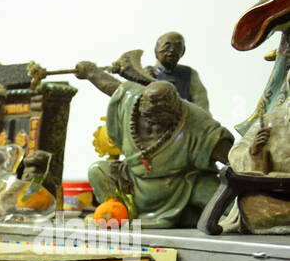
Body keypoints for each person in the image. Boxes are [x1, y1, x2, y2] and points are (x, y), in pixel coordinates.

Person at [78, 63, 233, 228]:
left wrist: (252, 168)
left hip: (182, 185)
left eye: (162, 117)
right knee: (97, 171)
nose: (154, 122)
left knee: (226, 200)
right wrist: (90, 71)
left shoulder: (197, 122)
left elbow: (231, 157)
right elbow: (113, 87)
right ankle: (119, 213)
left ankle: (189, 215)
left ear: (176, 108)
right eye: (148, 115)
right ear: (142, 105)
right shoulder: (131, 100)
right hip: (133, 182)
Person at [150, 32, 208, 111]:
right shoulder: (146, 74)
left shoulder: (189, 74)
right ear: (156, 50)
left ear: (183, 51)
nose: (172, 49)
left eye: (177, 46)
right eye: (167, 45)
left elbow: (201, 105)